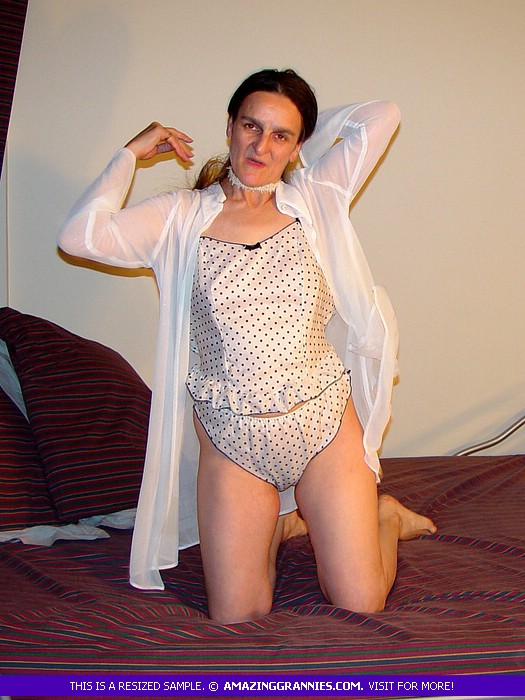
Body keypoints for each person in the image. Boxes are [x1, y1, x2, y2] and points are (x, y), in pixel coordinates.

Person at [58, 68, 436, 624]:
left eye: (281, 135)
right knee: (237, 616)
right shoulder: (179, 217)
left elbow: (384, 115)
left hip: (324, 424)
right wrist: (130, 154)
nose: (261, 146)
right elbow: (79, 236)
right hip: (233, 439)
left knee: (360, 601)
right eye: (251, 126)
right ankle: (281, 522)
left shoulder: (317, 196)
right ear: (230, 126)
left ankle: (383, 516)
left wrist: (310, 130)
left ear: (298, 145)